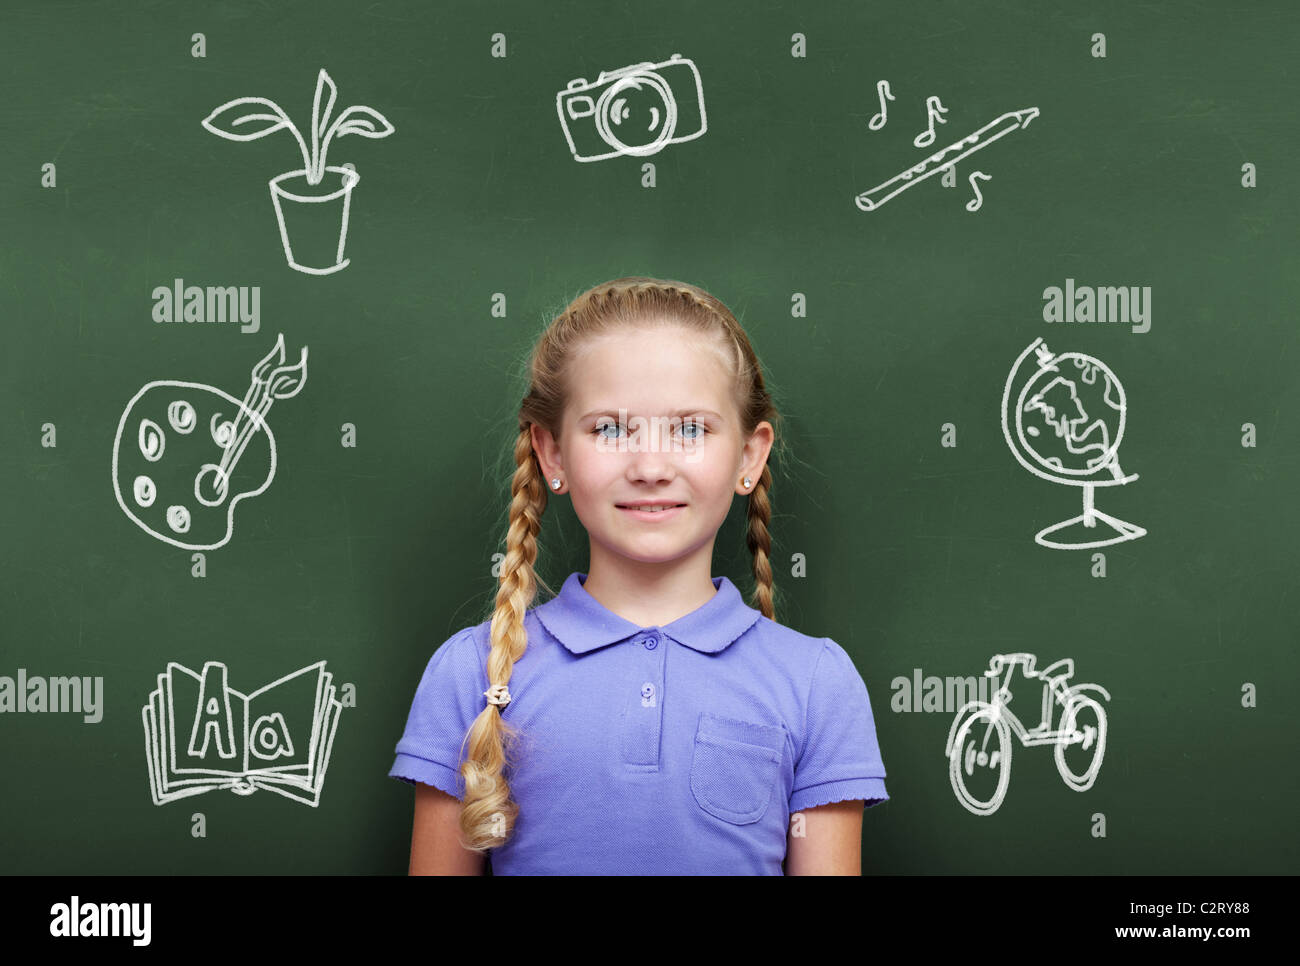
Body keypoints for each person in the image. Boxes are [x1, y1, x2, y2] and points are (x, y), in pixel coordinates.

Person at [389, 276, 888, 874]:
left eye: (691, 429)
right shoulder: (470, 674)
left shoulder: (816, 684)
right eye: (609, 429)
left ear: (750, 457)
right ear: (552, 455)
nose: (651, 466)